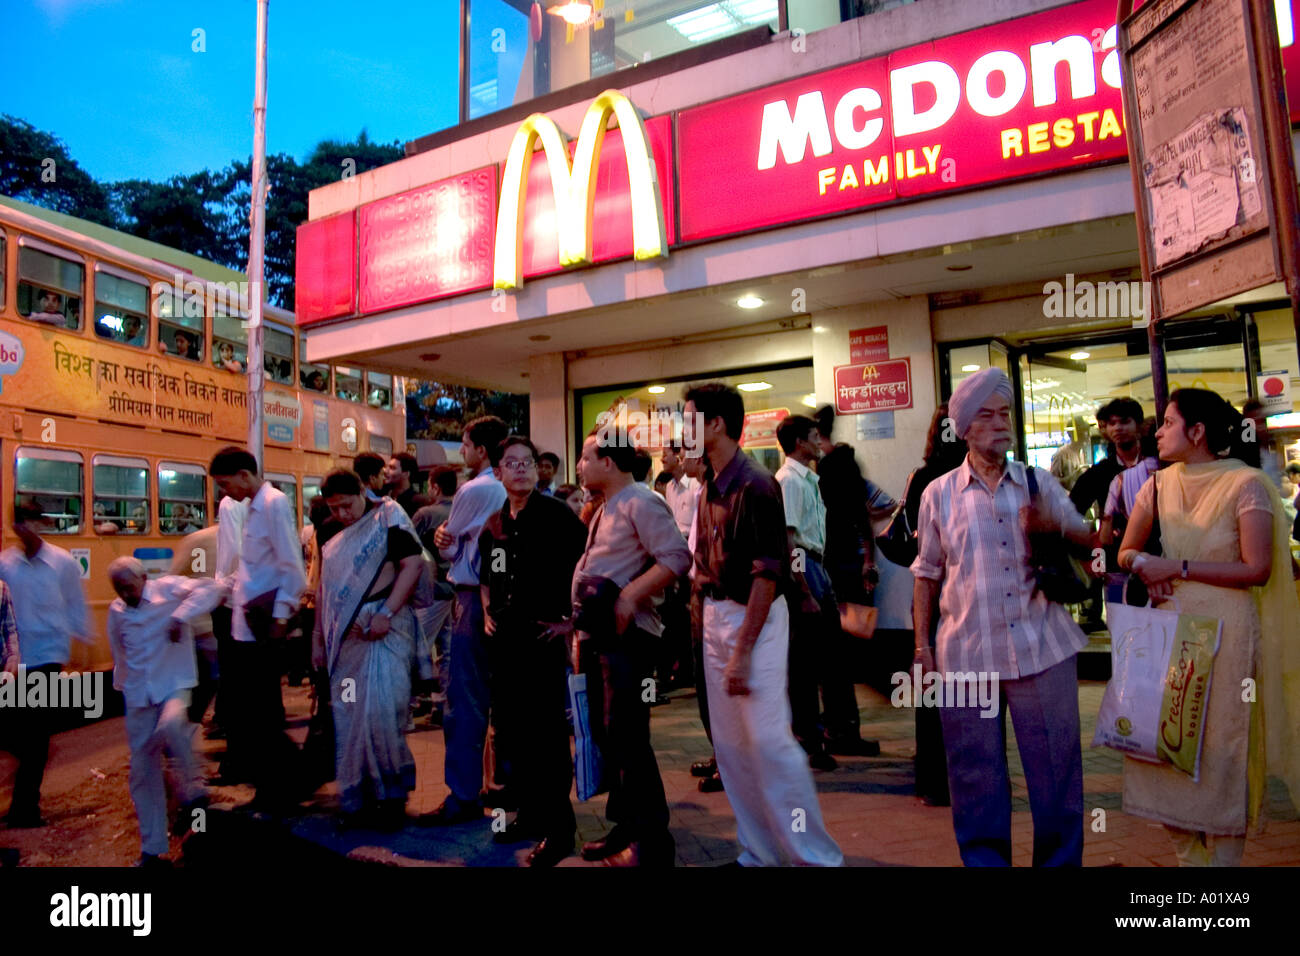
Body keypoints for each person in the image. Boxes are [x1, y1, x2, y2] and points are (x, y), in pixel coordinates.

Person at [911, 368, 1092, 866]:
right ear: (965, 427)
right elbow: (925, 574)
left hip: (1044, 649)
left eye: (1005, 413)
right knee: (975, 780)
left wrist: (1058, 525)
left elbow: (1092, 541)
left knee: (1057, 779)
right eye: (986, 415)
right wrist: (921, 649)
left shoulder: (1039, 483)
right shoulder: (939, 494)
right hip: (967, 655)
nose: (999, 424)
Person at [1118, 388, 1300, 866]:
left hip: (1230, 633)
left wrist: (1173, 567)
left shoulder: (1247, 484)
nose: (1155, 431)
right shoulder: (1156, 485)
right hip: (1172, 629)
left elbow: (1256, 569)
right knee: (1162, 748)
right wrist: (1143, 565)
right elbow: (1124, 550)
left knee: (1223, 750)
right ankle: (1189, 858)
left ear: (1197, 432)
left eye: (1168, 422)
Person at [686, 384, 843, 866]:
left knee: (770, 742)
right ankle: (758, 853)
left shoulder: (756, 484)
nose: (682, 430)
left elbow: (767, 573)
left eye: (690, 419)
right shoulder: (708, 484)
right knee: (732, 748)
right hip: (716, 618)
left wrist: (742, 650)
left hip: (751, 619)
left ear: (716, 424)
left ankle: (814, 857)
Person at [572, 426, 691, 866]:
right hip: (598, 637)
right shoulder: (606, 506)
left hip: (628, 640)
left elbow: (677, 557)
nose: (580, 466)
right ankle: (625, 826)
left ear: (608, 461)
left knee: (628, 736)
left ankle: (651, 841)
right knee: (609, 735)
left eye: (586, 458)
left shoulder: (641, 500)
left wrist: (629, 596)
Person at [478, 436, 588, 866]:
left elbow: (587, 569)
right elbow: (493, 574)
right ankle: (526, 816)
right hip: (506, 645)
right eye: (512, 463)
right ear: (498, 472)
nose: (521, 469)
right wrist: (488, 610)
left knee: (546, 740)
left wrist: (570, 622)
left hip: (543, 641)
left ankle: (560, 831)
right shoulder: (497, 524)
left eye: (527, 462)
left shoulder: (558, 517)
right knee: (511, 735)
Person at [312, 469, 424, 830]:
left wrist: (387, 612)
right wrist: (318, 637)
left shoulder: (388, 518)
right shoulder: (329, 530)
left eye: (347, 504)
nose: (343, 514)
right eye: (335, 507)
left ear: (363, 490)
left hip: (385, 631)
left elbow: (412, 565)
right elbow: (324, 588)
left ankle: (391, 800)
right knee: (349, 716)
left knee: (381, 713)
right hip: (346, 639)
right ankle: (357, 799)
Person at [106, 557, 222, 867]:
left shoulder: (168, 590)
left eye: (128, 587)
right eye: (118, 589)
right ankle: (152, 850)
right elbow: (118, 651)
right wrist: (122, 689)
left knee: (172, 727)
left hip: (173, 684)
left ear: (143, 578)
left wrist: (179, 617)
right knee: (142, 774)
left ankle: (195, 788)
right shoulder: (116, 611)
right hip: (139, 695)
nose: (124, 594)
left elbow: (211, 589)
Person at [209, 446, 307, 814]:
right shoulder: (252, 507)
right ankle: (279, 784)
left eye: (225, 483)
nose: (224, 492)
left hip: (265, 629)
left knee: (262, 716)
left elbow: (291, 568)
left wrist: (281, 619)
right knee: (253, 714)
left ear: (244, 474)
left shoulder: (273, 504)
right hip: (247, 627)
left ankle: (280, 788)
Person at [422, 417, 509, 825]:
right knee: (502, 700)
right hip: (503, 601)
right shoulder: (507, 488)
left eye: (465, 443)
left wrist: (445, 537)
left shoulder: (476, 489)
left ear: (481, 449)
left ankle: (463, 793)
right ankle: (498, 788)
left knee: (464, 700)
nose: (461, 451)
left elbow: (449, 548)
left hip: (472, 598)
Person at [0, 504, 92, 827]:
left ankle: (25, 810)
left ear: (42, 524)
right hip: (15, 663)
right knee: (18, 734)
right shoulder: (5, 565)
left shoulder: (62, 563)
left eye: (32, 523)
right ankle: (23, 799)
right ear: (15, 527)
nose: (26, 530)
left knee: (36, 736)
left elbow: (76, 604)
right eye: (20, 524)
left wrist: (83, 645)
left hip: (48, 658)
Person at [900, 404, 967, 807]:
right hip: (963, 598)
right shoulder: (968, 477)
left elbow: (912, 540)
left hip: (929, 598)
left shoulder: (922, 477)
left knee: (930, 694)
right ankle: (966, 778)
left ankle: (931, 780)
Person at [773, 415, 845, 770]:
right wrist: (802, 589)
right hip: (805, 569)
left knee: (825, 654)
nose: (820, 442)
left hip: (818, 566)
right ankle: (807, 738)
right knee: (804, 661)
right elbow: (790, 542)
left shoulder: (807, 480)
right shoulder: (790, 482)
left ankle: (823, 732)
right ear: (800, 442)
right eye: (815, 437)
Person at [412, 465, 459, 722]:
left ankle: (414, 701)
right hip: (457, 590)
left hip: (433, 592)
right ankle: (444, 703)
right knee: (449, 651)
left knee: (417, 646)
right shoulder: (461, 511)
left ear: (435, 487)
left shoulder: (426, 514)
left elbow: (409, 549)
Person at [384, 452, 428, 518]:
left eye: (392, 468)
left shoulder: (417, 501)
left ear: (406, 474)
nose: (386, 471)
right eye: (386, 466)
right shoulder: (383, 494)